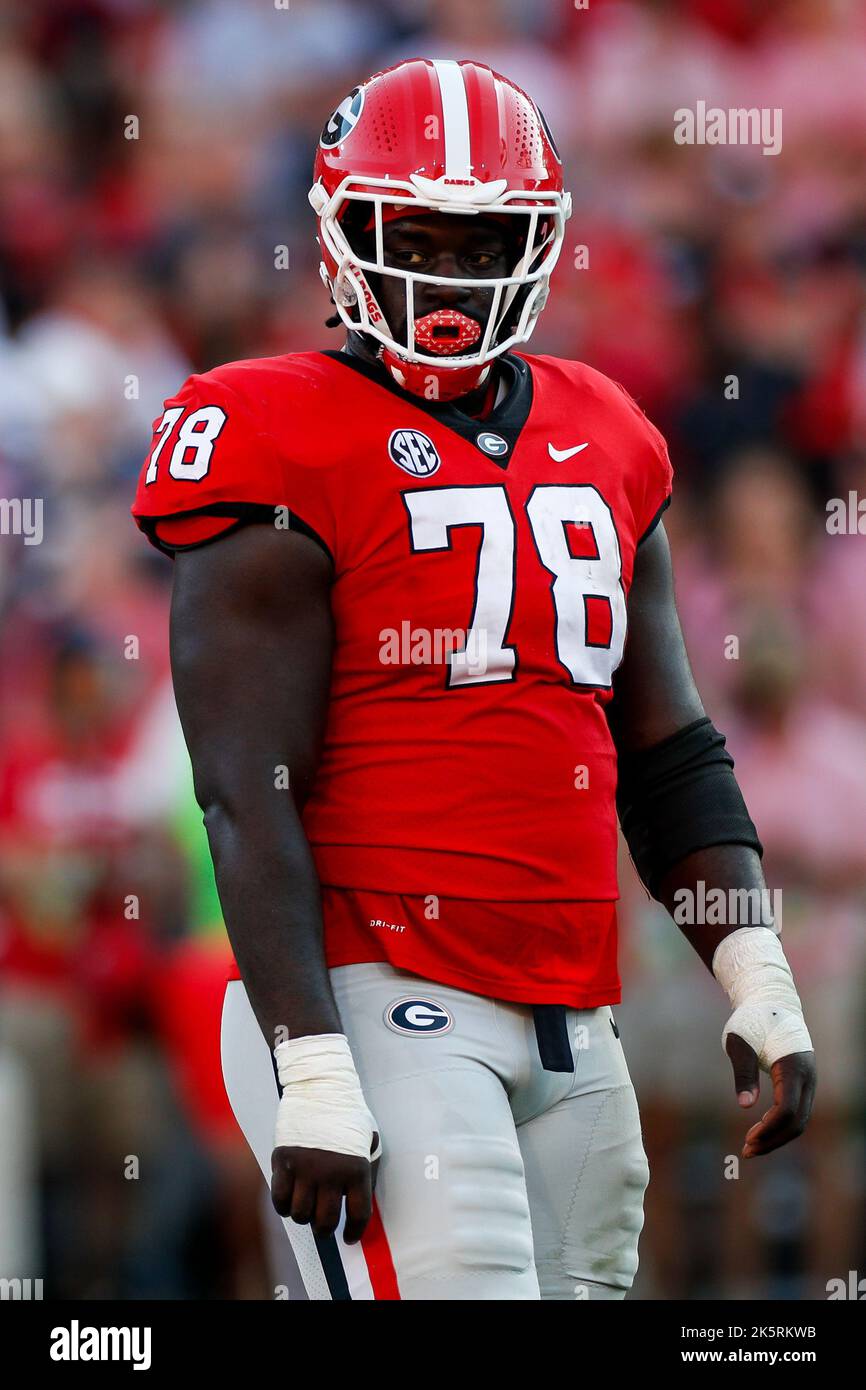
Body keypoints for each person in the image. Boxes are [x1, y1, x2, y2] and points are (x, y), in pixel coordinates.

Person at [132, 58, 815, 1301]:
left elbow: (666, 751)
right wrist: (314, 1062)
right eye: (416, 235)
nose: (446, 271)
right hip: (377, 994)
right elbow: (244, 787)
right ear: (344, 234)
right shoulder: (267, 428)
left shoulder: (606, 431)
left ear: (542, 244)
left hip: (575, 1012)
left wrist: (752, 971)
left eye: (482, 238)